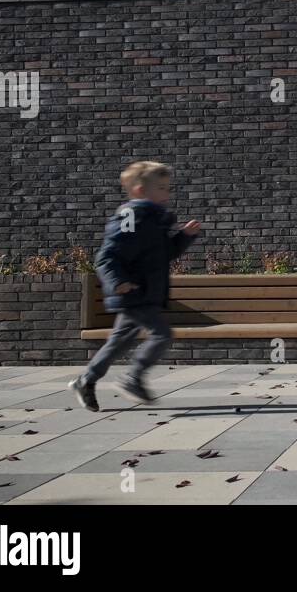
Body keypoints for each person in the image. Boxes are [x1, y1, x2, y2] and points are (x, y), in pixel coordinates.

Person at [69, 161, 200, 411]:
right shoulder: (132, 217)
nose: (167, 194)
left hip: (143, 291)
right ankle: (133, 379)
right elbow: (107, 257)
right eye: (162, 188)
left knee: (119, 342)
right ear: (141, 191)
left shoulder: (152, 220)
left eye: (168, 188)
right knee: (162, 334)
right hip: (133, 291)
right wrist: (117, 281)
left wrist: (183, 237)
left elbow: (162, 255)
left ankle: (86, 380)